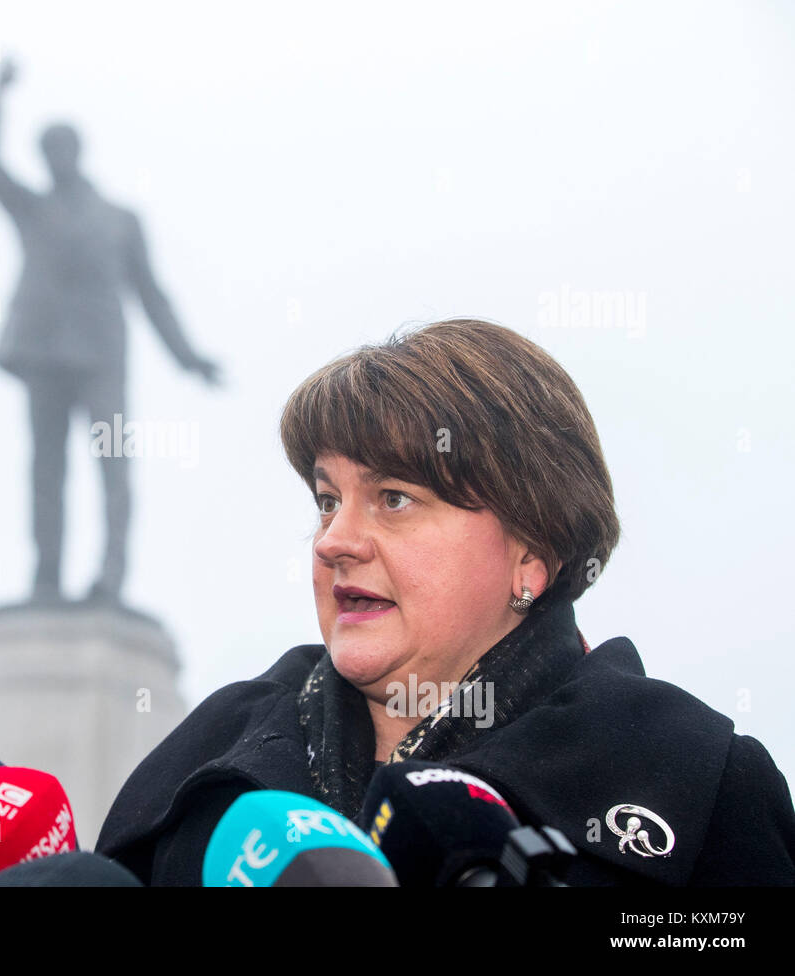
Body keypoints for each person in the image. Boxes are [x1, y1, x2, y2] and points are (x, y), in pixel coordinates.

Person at [96, 318, 795, 885]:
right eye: (327, 501)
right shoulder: (207, 760)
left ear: (533, 552)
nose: (334, 540)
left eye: (393, 499)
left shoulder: (693, 776)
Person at [0, 59, 221, 605]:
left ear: (77, 153)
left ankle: (111, 577)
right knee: (46, 468)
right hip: (43, 355)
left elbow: (151, 293)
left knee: (112, 466)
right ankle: (47, 579)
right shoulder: (33, 208)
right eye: (45, 152)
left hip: (102, 357)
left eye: (61, 149)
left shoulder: (119, 218)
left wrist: (189, 358)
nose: (53, 159)